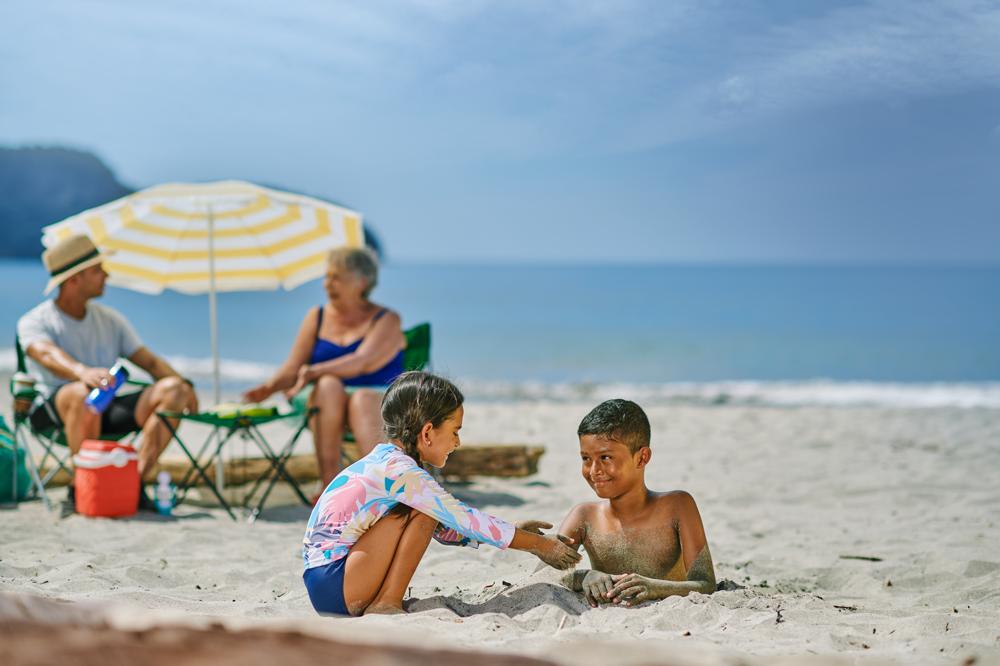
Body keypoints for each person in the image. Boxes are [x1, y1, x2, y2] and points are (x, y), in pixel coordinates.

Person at [302, 371, 581, 616]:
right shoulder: (402, 472)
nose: (457, 443)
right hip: (337, 582)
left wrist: (516, 529)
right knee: (425, 510)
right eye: (455, 431)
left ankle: (383, 598)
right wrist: (539, 545)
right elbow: (463, 518)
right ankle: (386, 602)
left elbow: (443, 528)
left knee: (426, 512)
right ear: (427, 433)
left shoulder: (384, 463)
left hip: (327, 584)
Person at [16, 234, 198, 508]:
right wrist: (82, 372)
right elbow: (45, 353)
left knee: (173, 390)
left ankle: (130, 483)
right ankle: (86, 486)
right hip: (54, 414)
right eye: (97, 270)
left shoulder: (110, 320)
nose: (106, 275)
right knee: (81, 393)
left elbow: (150, 363)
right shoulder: (35, 320)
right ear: (73, 279)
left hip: (105, 406)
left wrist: (185, 388)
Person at [243, 247, 405, 490]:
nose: (327, 284)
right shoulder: (317, 316)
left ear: (362, 282)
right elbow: (293, 367)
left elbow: (363, 361)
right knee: (329, 386)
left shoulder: (387, 320)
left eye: (336, 278)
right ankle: (330, 486)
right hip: (324, 399)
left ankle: (377, 485)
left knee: (360, 398)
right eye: (327, 277)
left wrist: (314, 371)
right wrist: (268, 389)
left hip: (375, 399)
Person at [558, 399, 716, 607]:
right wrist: (586, 576)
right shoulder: (584, 516)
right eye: (586, 458)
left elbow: (706, 584)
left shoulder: (677, 506)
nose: (594, 469)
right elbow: (548, 574)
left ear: (642, 458)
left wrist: (655, 587)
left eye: (605, 457)